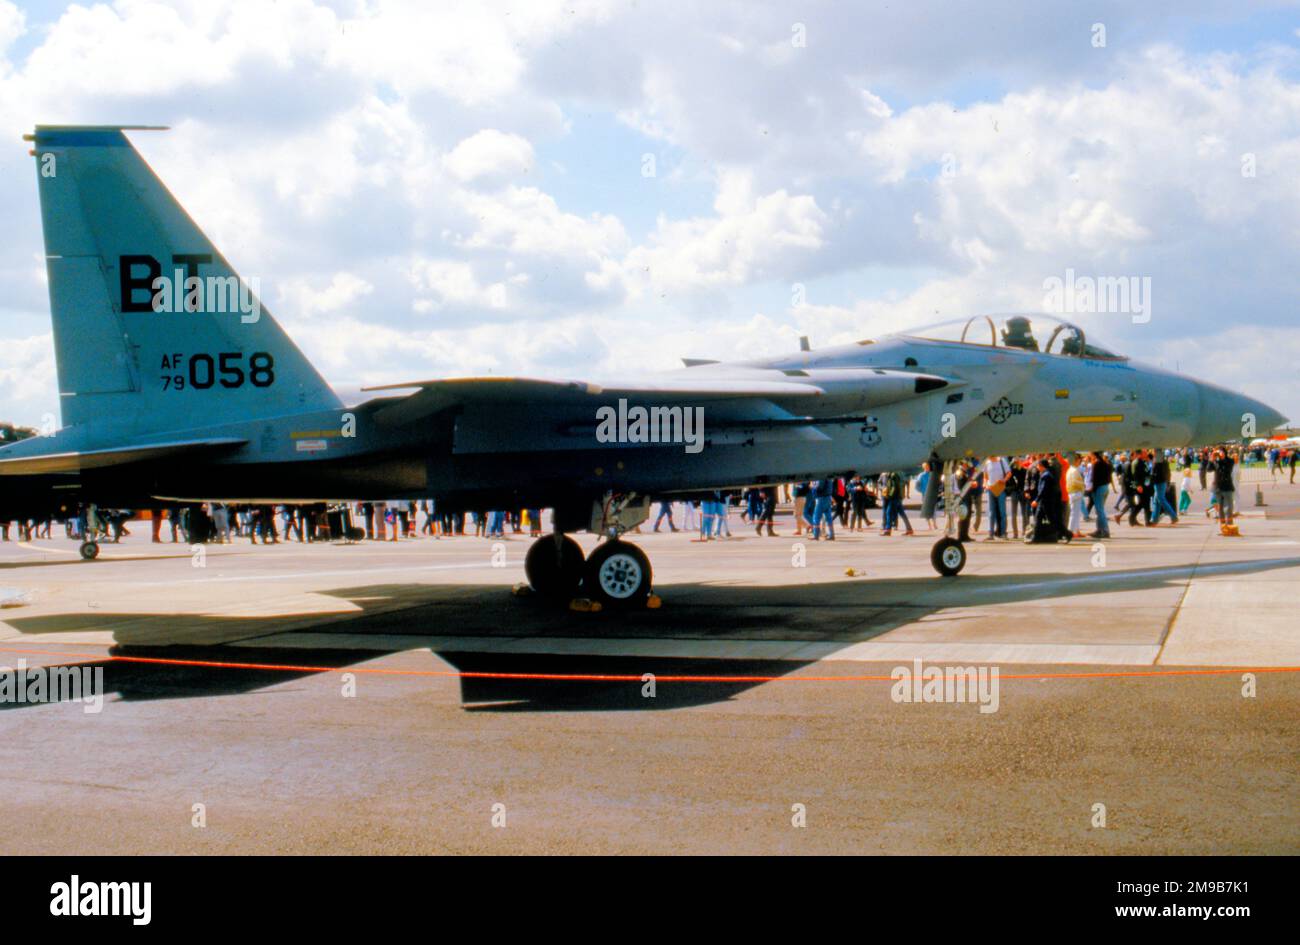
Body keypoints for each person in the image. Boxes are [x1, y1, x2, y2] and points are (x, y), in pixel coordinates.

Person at [983, 455, 1010, 540]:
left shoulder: (1002, 461)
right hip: (991, 489)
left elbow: (1009, 473)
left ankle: (1003, 533)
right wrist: (985, 484)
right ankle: (990, 534)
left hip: (1000, 488)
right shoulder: (987, 462)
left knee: (1002, 512)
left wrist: (1004, 480)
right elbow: (985, 477)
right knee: (991, 512)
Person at [1089, 452, 1112, 539]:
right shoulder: (1106, 464)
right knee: (1100, 510)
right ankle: (1099, 530)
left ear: (1094, 455)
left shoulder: (1096, 464)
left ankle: (1105, 530)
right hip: (1105, 487)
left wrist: (1092, 490)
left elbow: (1094, 479)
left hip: (1099, 488)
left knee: (1100, 511)